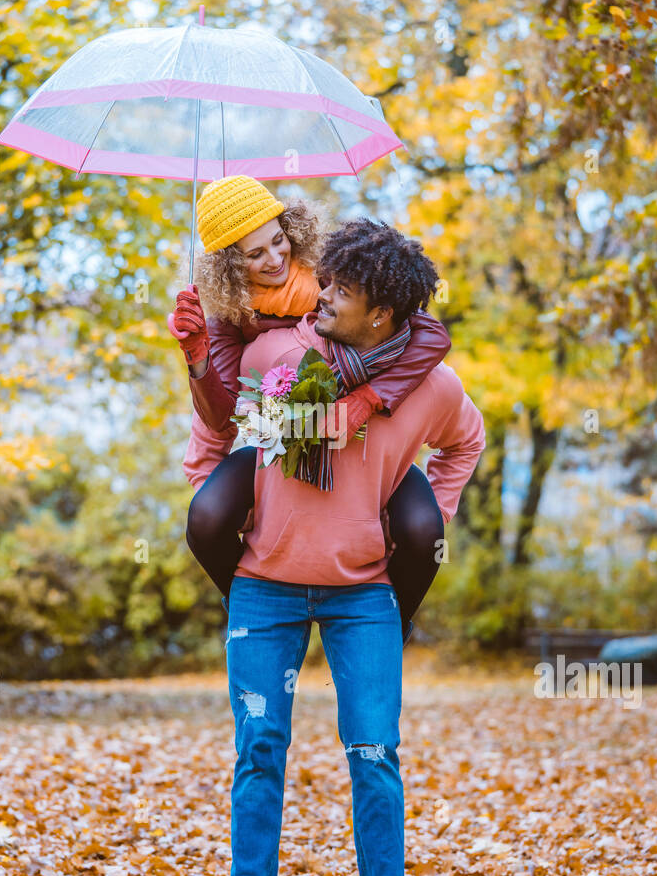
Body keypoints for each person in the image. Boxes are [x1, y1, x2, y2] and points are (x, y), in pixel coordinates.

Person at [184, 219, 486, 876]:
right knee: (258, 746)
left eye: (340, 289)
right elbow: (213, 438)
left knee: (374, 749)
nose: (319, 291)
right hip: (263, 586)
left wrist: (428, 517)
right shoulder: (276, 351)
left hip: (362, 596)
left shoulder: (429, 386)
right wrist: (220, 495)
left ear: (380, 314)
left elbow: (465, 443)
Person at [167, 175, 452, 639]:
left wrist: (368, 398)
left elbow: (433, 334)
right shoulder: (224, 314)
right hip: (282, 439)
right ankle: (248, 604)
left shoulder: (329, 274)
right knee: (206, 518)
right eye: (255, 254)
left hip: (367, 443)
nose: (275, 259)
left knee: (423, 531)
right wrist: (196, 355)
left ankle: (390, 626)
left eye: (278, 241)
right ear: (227, 265)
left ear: (290, 229)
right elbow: (221, 416)